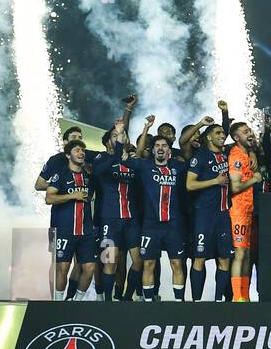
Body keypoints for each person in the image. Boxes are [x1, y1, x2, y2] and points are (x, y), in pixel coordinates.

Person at [131, 126, 189, 301]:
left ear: (170, 150)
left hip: (173, 226)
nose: (161, 148)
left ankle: (179, 303)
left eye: (164, 145)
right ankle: (149, 303)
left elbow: (196, 166)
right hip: (151, 226)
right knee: (148, 264)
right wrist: (144, 128)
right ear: (153, 150)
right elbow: (126, 158)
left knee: (177, 264)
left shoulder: (180, 167)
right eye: (157, 145)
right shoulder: (144, 166)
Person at [94, 120, 143, 301]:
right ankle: (108, 301)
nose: (119, 138)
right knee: (110, 262)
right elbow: (97, 172)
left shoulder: (133, 162)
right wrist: (117, 153)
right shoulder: (102, 158)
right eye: (115, 136)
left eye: (122, 135)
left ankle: (127, 297)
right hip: (109, 219)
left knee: (139, 261)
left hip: (132, 219)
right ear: (108, 142)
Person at [187, 124, 234, 301]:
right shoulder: (200, 157)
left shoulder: (226, 155)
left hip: (224, 214)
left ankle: (218, 301)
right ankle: (197, 302)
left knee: (224, 258)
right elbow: (190, 185)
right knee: (200, 257)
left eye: (223, 133)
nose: (222, 135)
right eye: (218, 133)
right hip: (204, 215)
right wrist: (215, 181)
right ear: (208, 137)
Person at [45, 140, 97, 300]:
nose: (81, 153)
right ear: (68, 155)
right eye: (77, 150)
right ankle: (58, 304)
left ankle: (76, 302)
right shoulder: (60, 174)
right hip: (64, 230)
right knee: (63, 268)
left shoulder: (89, 176)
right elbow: (49, 198)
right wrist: (72, 196)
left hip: (86, 231)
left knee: (90, 268)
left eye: (83, 150)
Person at [226, 115, 264, 302]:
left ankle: (245, 297)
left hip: (248, 210)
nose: (249, 133)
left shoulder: (247, 154)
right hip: (238, 211)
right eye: (244, 131)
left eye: (249, 130)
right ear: (236, 138)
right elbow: (234, 187)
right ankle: (237, 297)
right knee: (240, 254)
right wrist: (254, 180)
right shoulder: (236, 156)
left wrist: (252, 152)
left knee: (247, 254)